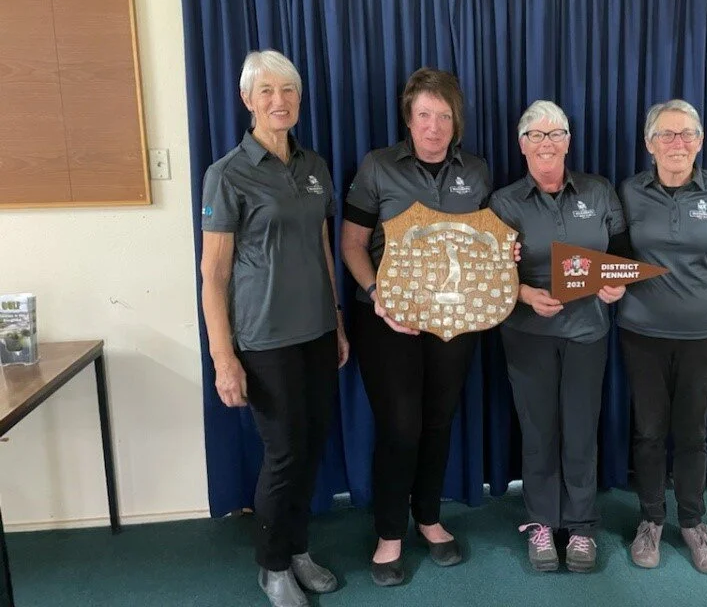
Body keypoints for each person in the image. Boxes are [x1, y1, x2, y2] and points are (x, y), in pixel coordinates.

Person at [199, 50, 349, 607]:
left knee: (310, 449)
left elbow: (321, 248)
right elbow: (212, 275)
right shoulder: (227, 174)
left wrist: (335, 320)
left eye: (288, 90)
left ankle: (298, 546)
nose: (279, 101)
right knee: (283, 453)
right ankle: (272, 565)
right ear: (247, 100)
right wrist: (223, 358)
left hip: (315, 334)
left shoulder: (314, 167)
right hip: (264, 341)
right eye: (267, 91)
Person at [340, 68, 492, 586]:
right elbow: (352, 245)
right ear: (409, 119)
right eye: (424, 115)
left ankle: (428, 518)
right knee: (400, 425)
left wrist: (505, 254)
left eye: (443, 116)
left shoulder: (477, 170)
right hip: (389, 319)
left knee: (439, 419)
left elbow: (486, 244)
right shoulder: (378, 167)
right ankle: (389, 533)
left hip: (455, 318)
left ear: (456, 122)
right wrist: (378, 294)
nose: (433, 127)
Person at [489, 100, 628, 573]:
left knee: (580, 428)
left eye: (555, 134)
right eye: (535, 135)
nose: (546, 144)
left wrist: (617, 282)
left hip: (588, 329)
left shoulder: (600, 190)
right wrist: (525, 293)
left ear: (569, 141)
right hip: (528, 332)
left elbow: (621, 252)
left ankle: (583, 525)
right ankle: (542, 521)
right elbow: (489, 275)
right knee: (538, 429)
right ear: (521, 145)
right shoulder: (504, 202)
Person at [617, 99, 707, 575]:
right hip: (641, 331)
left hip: (703, 333)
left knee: (692, 433)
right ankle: (650, 519)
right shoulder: (628, 193)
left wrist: (696, 297)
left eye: (686, 133)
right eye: (666, 135)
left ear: (701, 141)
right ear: (649, 144)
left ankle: (692, 523)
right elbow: (618, 257)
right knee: (649, 432)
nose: (677, 143)